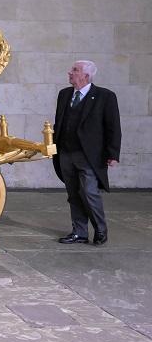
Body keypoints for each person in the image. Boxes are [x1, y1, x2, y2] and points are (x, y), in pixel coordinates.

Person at [53, 60, 121, 246]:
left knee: (89, 192)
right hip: (66, 153)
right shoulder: (64, 94)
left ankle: (100, 229)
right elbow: (59, 123)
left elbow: (113, 127)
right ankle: (79, 232)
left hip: (89, 156)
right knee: (73, 194)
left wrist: (113, 154)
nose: (70, 72)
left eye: (74, 70)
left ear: (86, 76)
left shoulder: (105, 96)